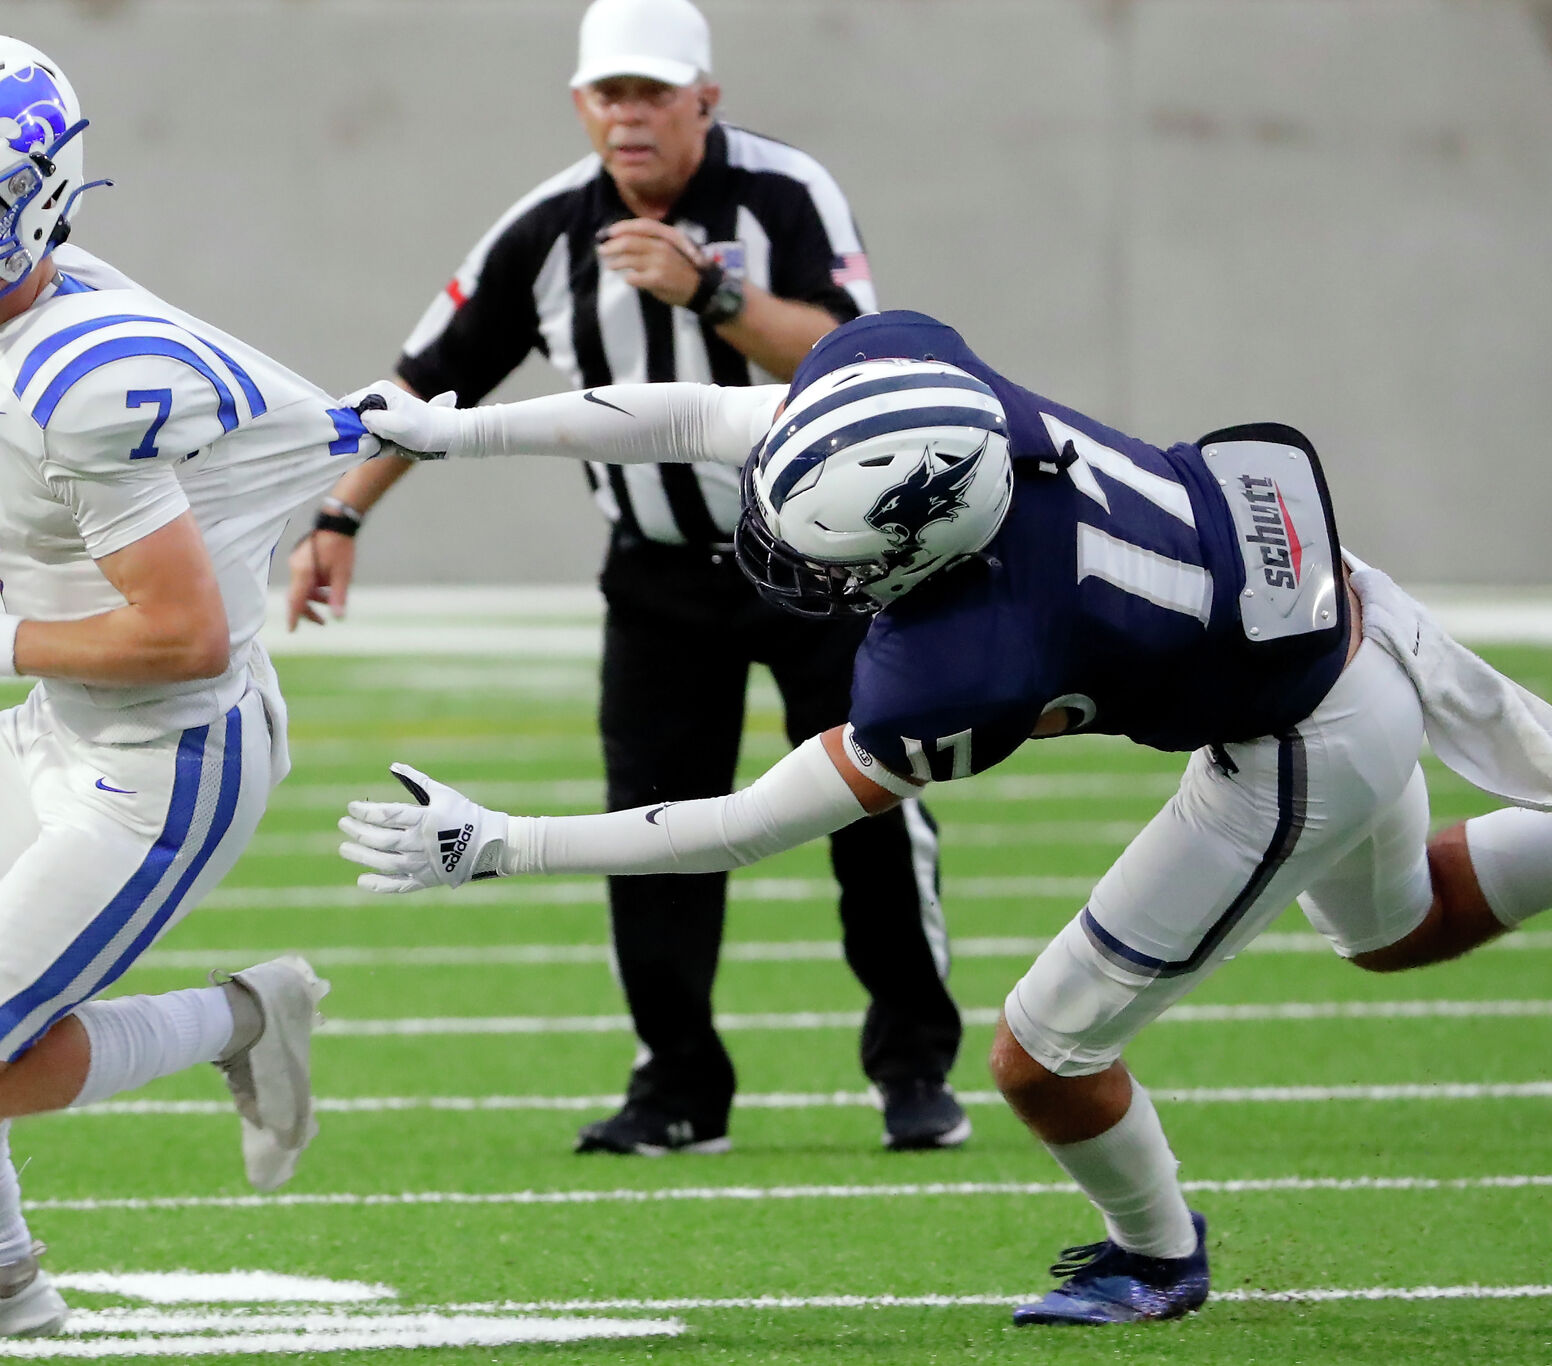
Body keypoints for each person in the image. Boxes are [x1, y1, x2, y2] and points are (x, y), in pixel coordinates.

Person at [334, 308, 1552, 1324]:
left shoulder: (965, 657)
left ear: (930, 552)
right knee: (1398, 930)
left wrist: (503, 843)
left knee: (1042, 1053)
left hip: (1301, 733)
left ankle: (1155, 1255)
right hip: (1337, 602)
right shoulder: (925, 401)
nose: (799, 573)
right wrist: (454, 430)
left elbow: (750, 824)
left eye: (835, 566)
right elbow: (703, 415)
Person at [286, 0, 970, 1158]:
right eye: (609, 94)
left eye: (652, 94)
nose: (628, 116)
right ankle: (678, 1082)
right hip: (658, 576)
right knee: (646, 821)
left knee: (871, 806)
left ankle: (912, 1066)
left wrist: (710, 294)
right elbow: (427, 383)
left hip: (823, 565)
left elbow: (869, 364)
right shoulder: (548, 227)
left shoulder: (785, 195)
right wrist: (339, 513)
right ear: (579, 104)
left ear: (704, 98)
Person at [0, 34, 376, 1340]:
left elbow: (188, 637)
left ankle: (243, 1014)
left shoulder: (86, 378)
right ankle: (2, 1281)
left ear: (42, 196)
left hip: (171, 755)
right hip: (68, 718)